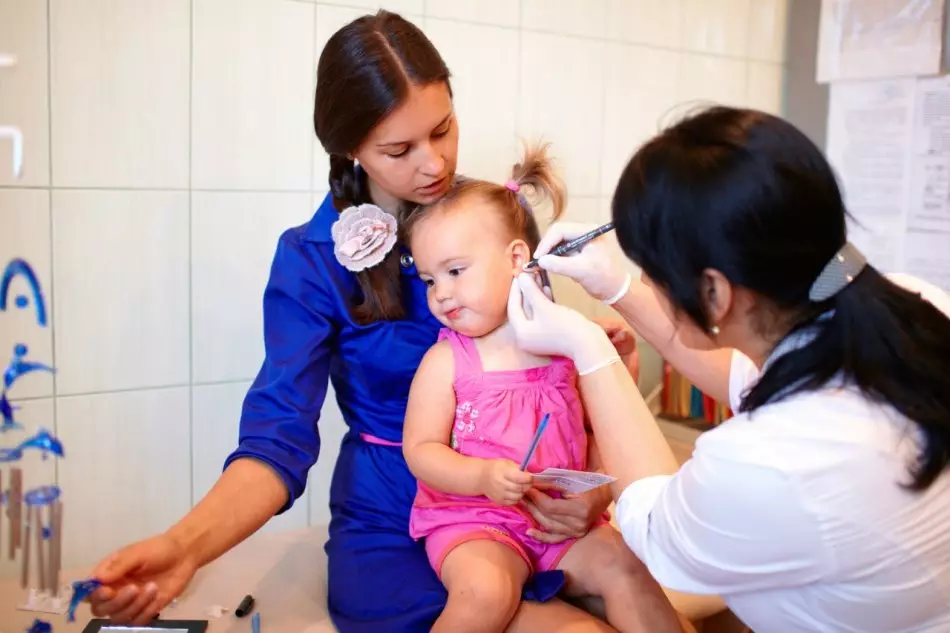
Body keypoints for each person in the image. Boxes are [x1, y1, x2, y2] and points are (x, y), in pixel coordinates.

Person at [84, 11, 659, 632]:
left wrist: (592, 492)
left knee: (645, 594)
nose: (435, 164)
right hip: (395, 521)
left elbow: (546, 386)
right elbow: (276, 441)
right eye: (399, 149)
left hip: (526, 512)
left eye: (443, 130)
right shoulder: (311, 260)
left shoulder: (495, 221)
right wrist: (185, 546)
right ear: (350, 148)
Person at [506, 105, 950, 632]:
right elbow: (744, 371)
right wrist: (618, 287)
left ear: (714, 291)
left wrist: (587, 348)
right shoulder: (913, 308)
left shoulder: (773, 460)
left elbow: (655, 526)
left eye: (652, 274)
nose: (650, 284)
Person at [401, 144, 684, 633]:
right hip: (475, 523)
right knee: (486, 594)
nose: (440, 292)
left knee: (629, 568)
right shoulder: (447, 360)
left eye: (454, 271)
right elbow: (420, 450)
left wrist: (621, 360)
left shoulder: (562, 343)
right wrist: (482, 477)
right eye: (429, 279)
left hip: (560, 525)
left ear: (517, 258)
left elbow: (603, 430)